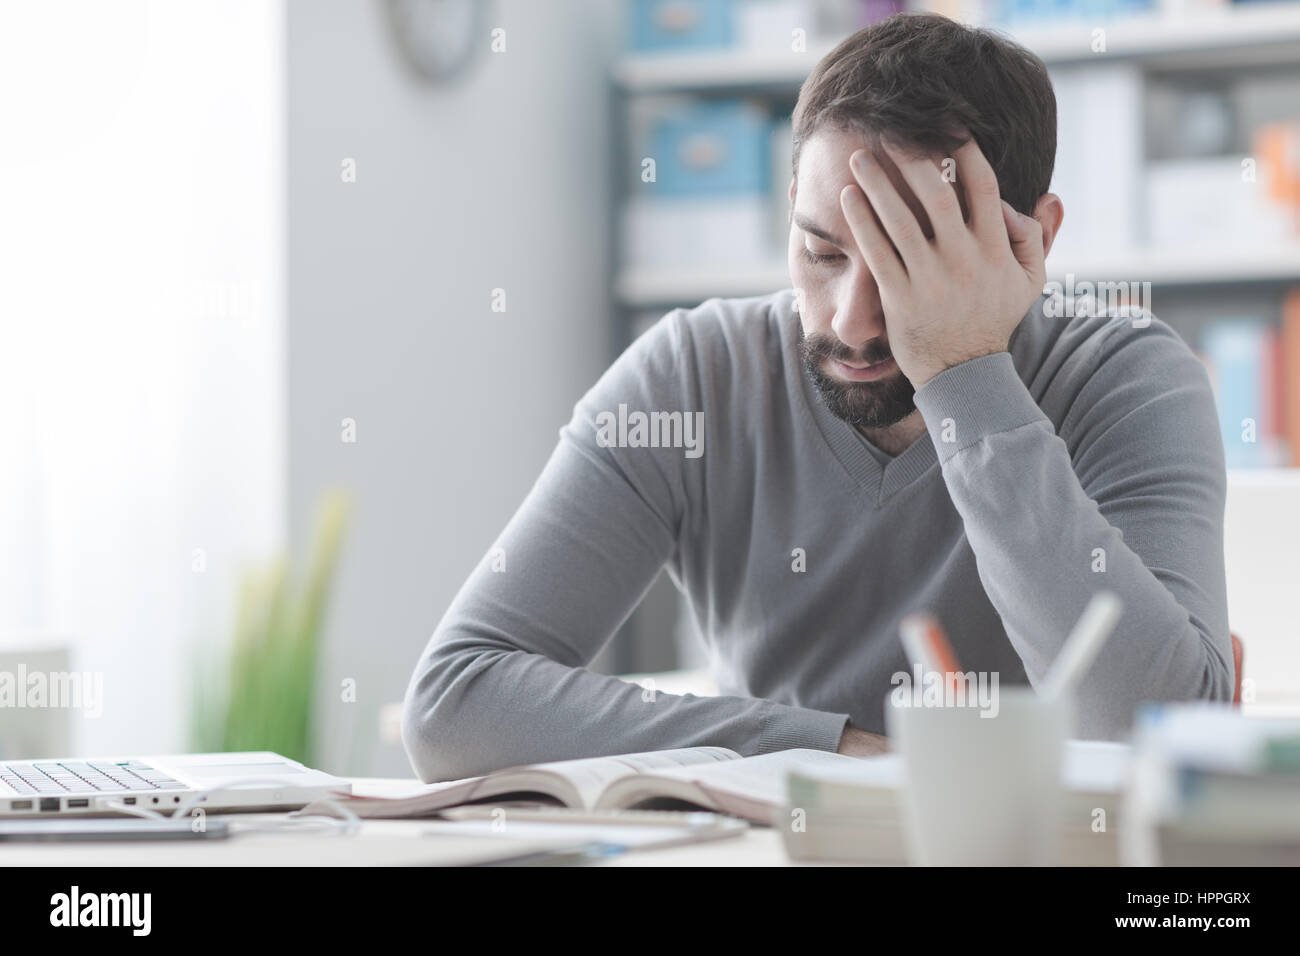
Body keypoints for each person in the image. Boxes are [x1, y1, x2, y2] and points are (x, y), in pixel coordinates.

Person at [402, 12, 1232, 781]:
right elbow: (453, 704)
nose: (852, 319)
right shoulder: (694, 376)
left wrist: (967, 376)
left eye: (912, 263)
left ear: (1034, 240)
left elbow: (1154, 737)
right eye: (822, 252)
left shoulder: (1127, 381)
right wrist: (827, 751)